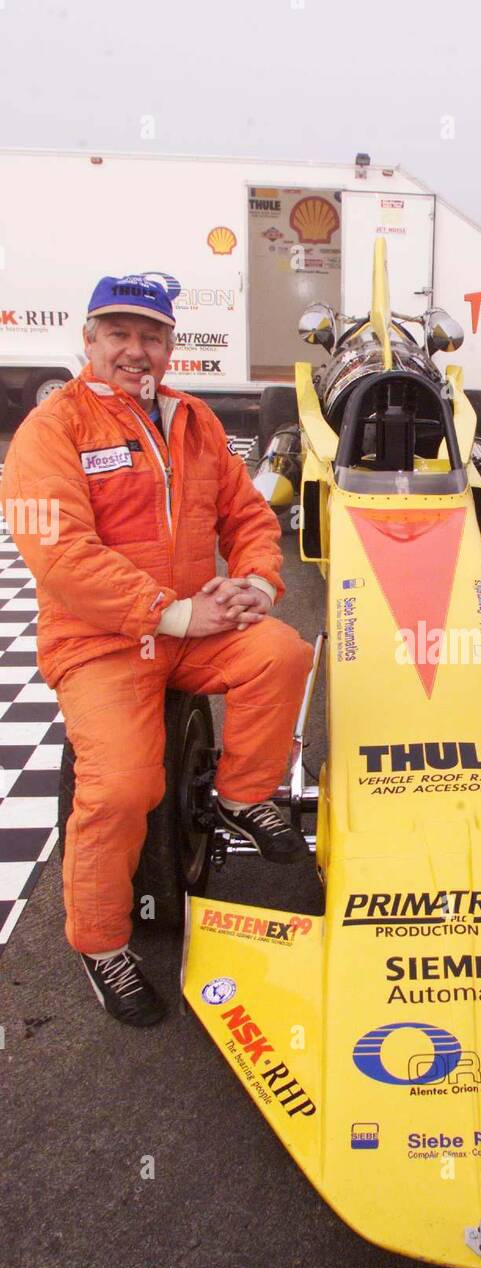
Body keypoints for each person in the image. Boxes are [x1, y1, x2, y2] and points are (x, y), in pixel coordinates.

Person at [0, 274, 313, 1027]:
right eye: (119, 334)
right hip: (102, 642)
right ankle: (101, 945)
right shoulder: (54, 427)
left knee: (281, 653)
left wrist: (257, 586)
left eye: (151, 336)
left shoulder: (194, 419)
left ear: (171, 346)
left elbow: (247, 514)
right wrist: (166, 612)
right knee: (119, 790)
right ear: (89, 339)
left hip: (193, 624)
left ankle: (241, 798)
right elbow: (60, 554)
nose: (135, 350)